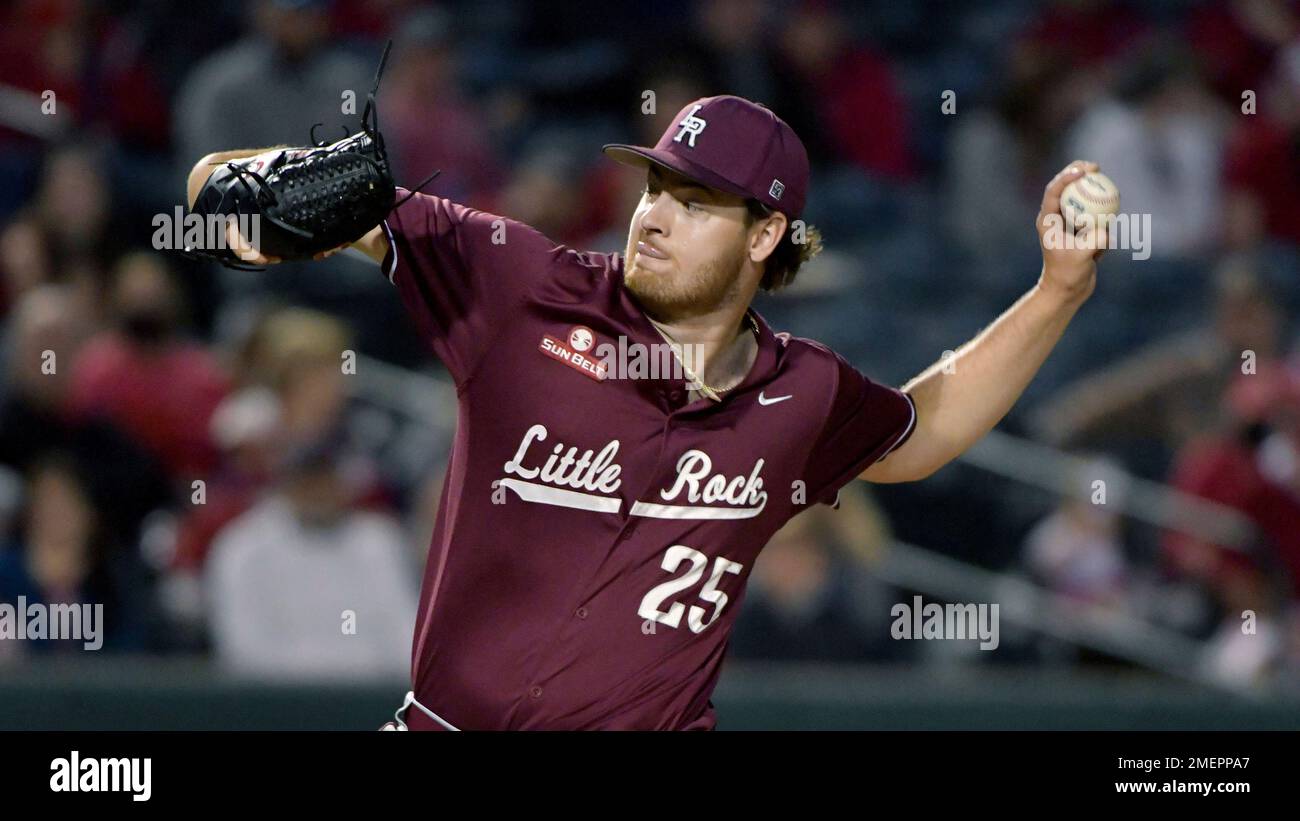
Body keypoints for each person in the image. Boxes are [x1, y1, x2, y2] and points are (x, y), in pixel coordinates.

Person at [187, 95, 1109, 730]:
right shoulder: (523, 287)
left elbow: (924, 431)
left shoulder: (805, 395)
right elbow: (211, 192)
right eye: (655, 185)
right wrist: (252, 194)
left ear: (764, 235)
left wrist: (1058, 291)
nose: (656, 214)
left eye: (695, 200)